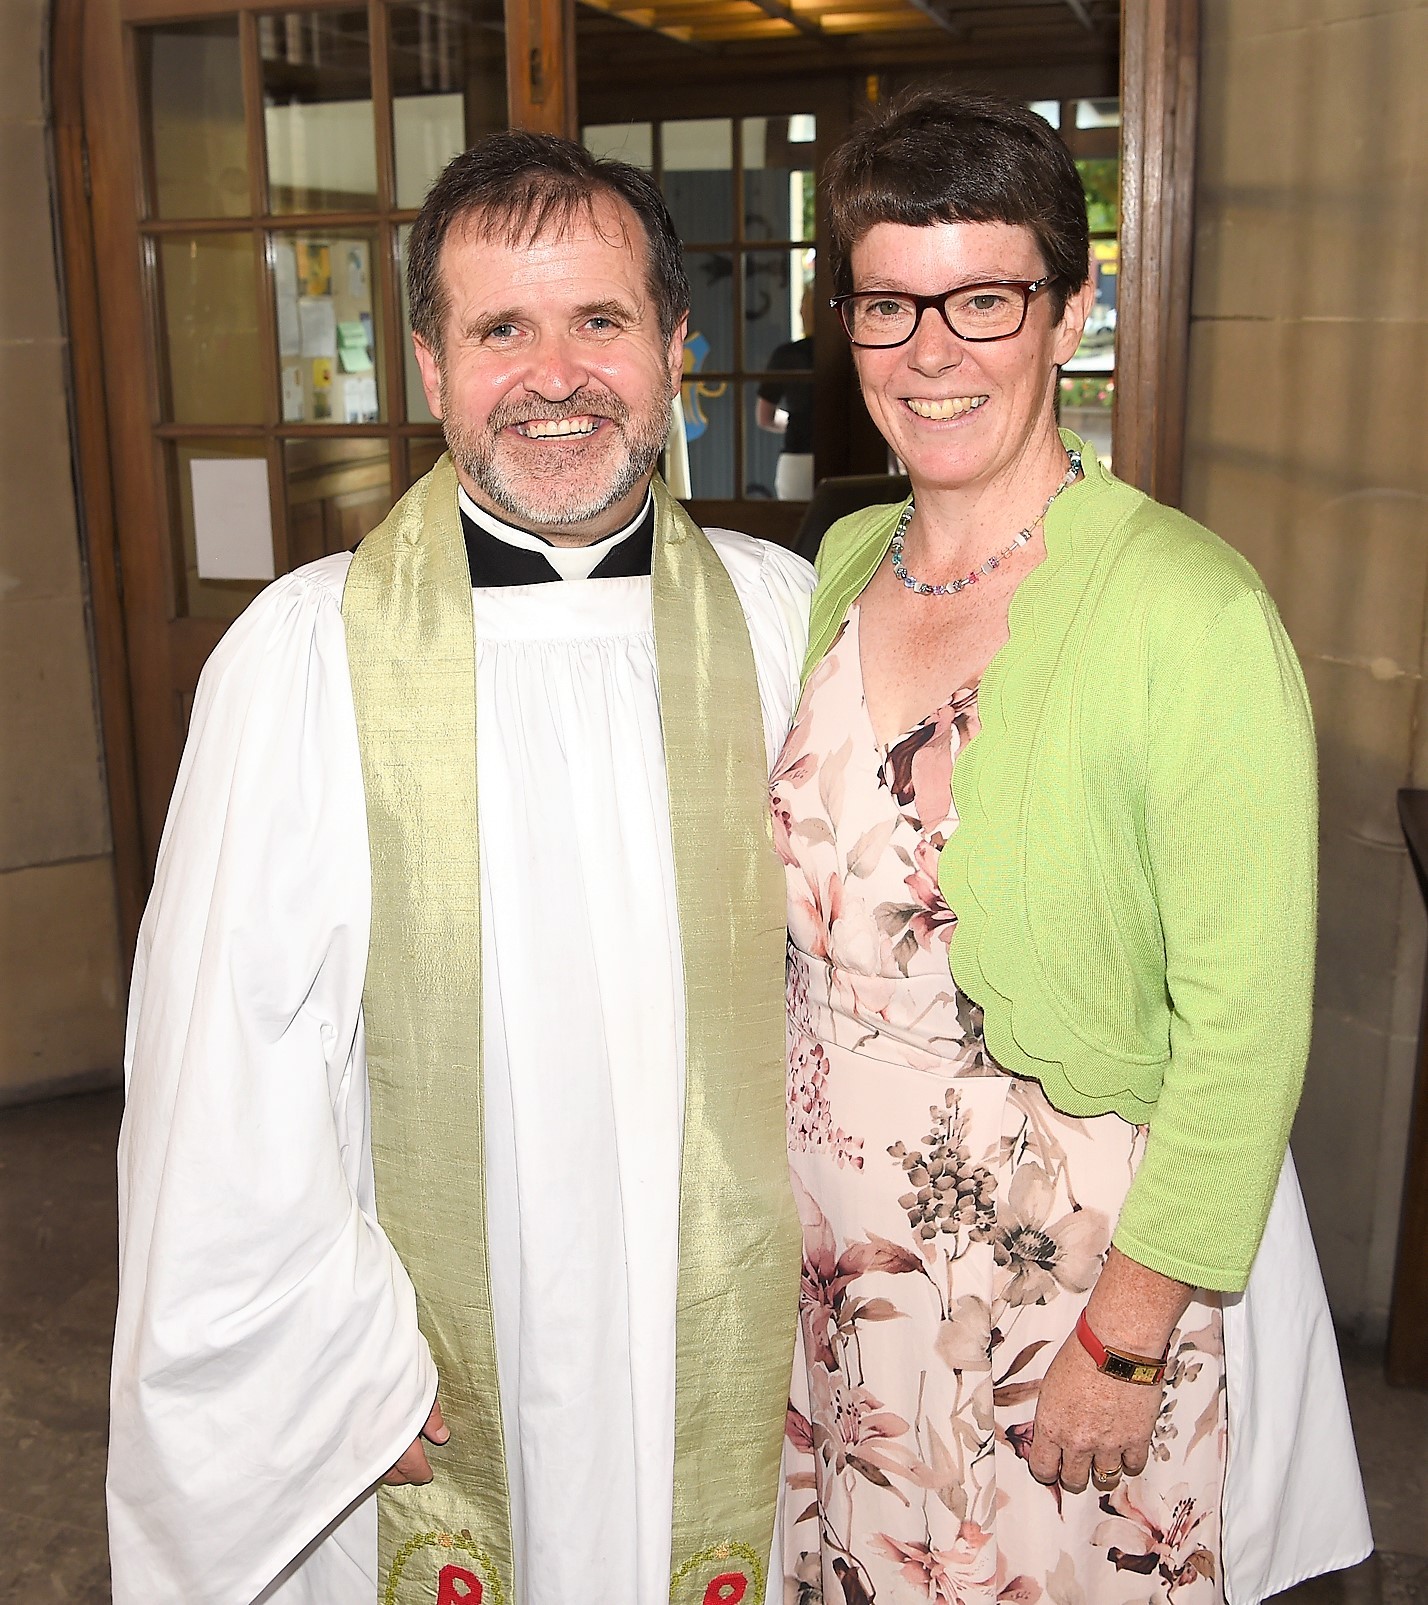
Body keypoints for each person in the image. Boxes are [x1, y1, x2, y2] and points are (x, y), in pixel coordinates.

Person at [108, 132, 814, 1605]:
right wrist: (335, 1364)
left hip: (735, 1328)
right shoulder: (307, 655)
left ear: (675, 347)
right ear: (430, 365)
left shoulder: (782, 623)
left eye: (600, 321)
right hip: (426, 1351)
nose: (556, 378)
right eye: (502, 330)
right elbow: (223, 1060)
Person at [772, 90, 1372, 1604]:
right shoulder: (842, 563)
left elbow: (1245, 1029)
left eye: (983, 298)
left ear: (1072, 307)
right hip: (844, 1277)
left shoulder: (1191, 609)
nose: (931, 352)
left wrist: (1128, 1335)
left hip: (1062, 1299)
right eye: (889, 305)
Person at [756, 289, 815, 501]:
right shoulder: (851, 354)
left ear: (803, 312)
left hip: (797, 458)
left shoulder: (788, 355)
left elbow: (765, 417)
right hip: (848, 458)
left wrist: (792, 420)